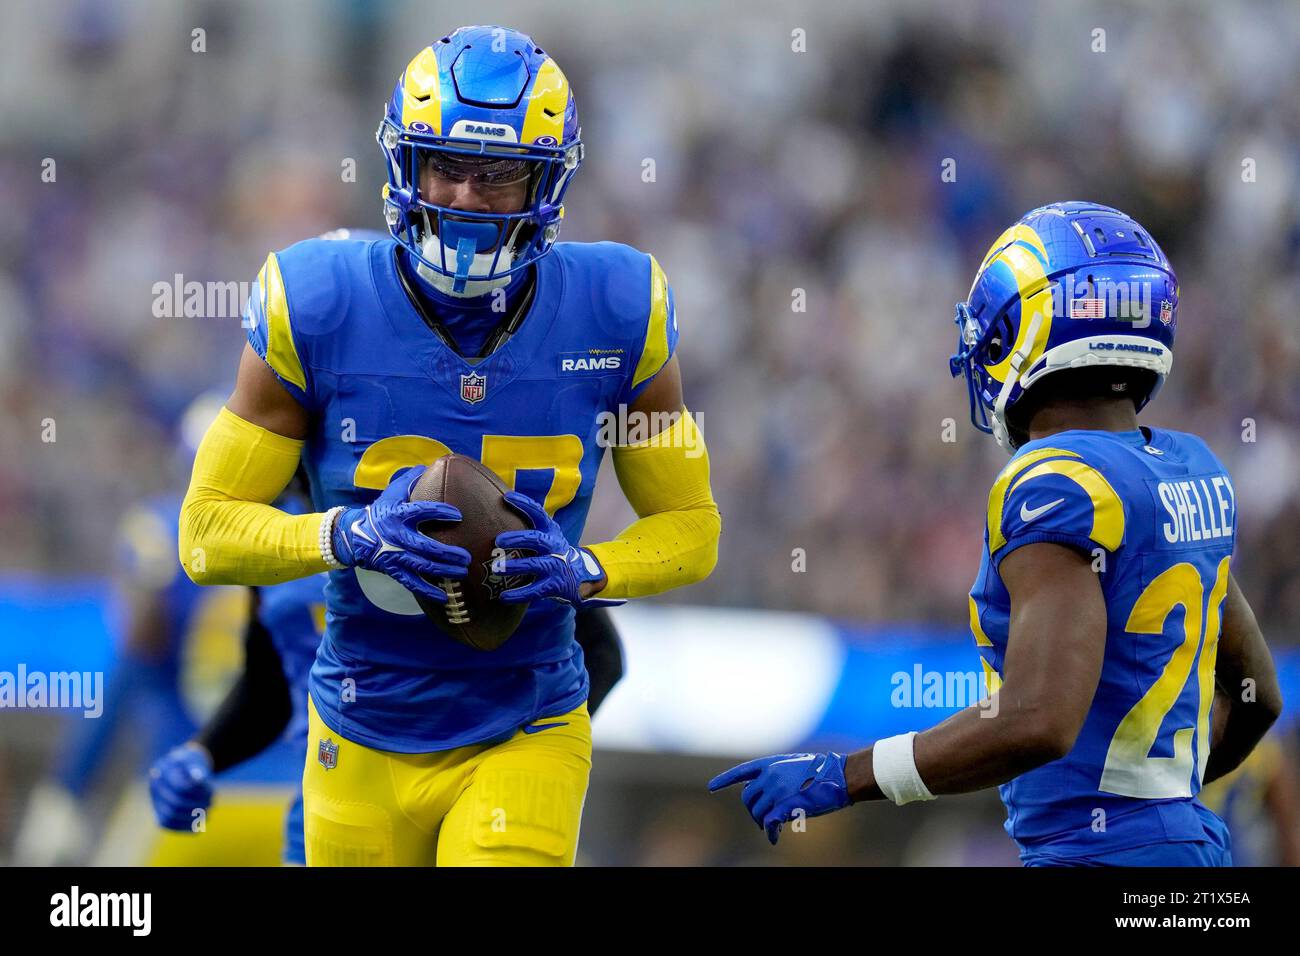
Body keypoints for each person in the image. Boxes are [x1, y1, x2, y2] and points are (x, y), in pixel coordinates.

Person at [177, 26, 719, 866]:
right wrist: (344, 536)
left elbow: (692, 528)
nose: (467, 195)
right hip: (358, 723)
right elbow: (205, 536)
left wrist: (591, 571)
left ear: (548, 179)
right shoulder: (314, 300)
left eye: (500, 174)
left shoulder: (620, 308)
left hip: (525, 718)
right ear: (404, 166)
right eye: (445, 166)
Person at [710, 201, 1281, 866]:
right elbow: (1258, 695)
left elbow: (1040, 718)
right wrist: (1160, 806)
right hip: (1195, 851)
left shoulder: (1055, 479)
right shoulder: (1190, 468)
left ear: (1031, 328)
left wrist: (847, 775)